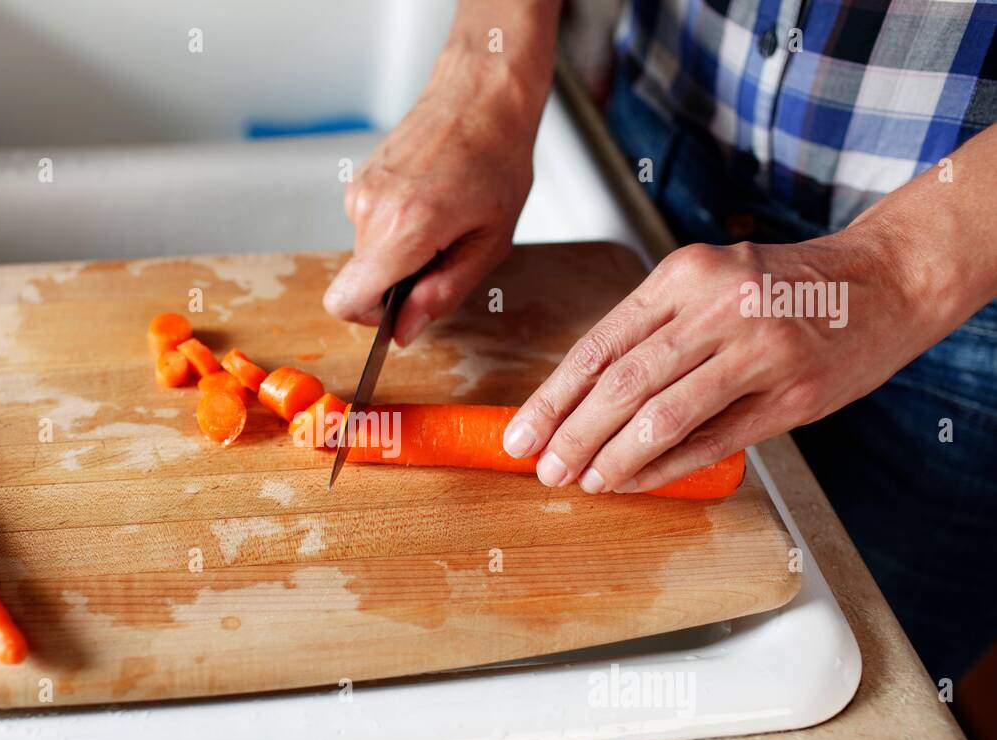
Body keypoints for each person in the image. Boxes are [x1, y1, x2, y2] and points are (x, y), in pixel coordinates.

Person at [323, 0, 997, 685]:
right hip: (665, 149)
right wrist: (485, 72)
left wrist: (896, 276)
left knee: (845, 676)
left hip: (968, 288)